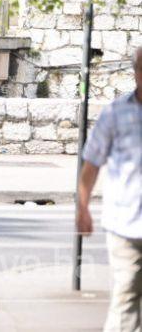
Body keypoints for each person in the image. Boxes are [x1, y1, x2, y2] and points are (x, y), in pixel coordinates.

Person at [78, 48, 142, 331]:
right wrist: (83, 208)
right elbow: (91, 163)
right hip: (125, 225)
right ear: (136, 72)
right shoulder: (115, 113)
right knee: (127, 294)